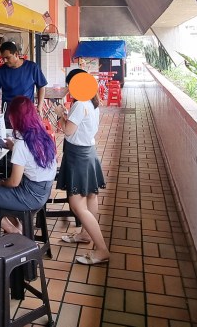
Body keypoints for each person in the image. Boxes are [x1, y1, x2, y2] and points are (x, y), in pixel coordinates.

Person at [0, 96, 57, 234]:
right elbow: (31, 156)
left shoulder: (21, 144)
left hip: (30, 195)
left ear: (14, 117)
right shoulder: (41, 134)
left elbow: (14, 182)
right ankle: (16, 223)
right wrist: (13, 148)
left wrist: (3, 183)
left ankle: (14, 230)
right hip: (44, 191)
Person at [55, 69, 110, 266]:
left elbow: (68, 131)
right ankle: (85, 235)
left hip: (78, 156)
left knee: (77, 205)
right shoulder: (93, 102)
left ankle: (102, 249)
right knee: (90, 197)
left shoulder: (79, 104)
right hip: (89, 153)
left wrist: (61, 114)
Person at [0, 42, 48, 113]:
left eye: (7, 58)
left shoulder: (32, 67)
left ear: (16, 54)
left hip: (27, 112)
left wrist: (39, 106)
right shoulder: (0, 71)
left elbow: (41, 87)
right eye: (3, 58)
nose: (5, 61)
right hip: (9, 113)